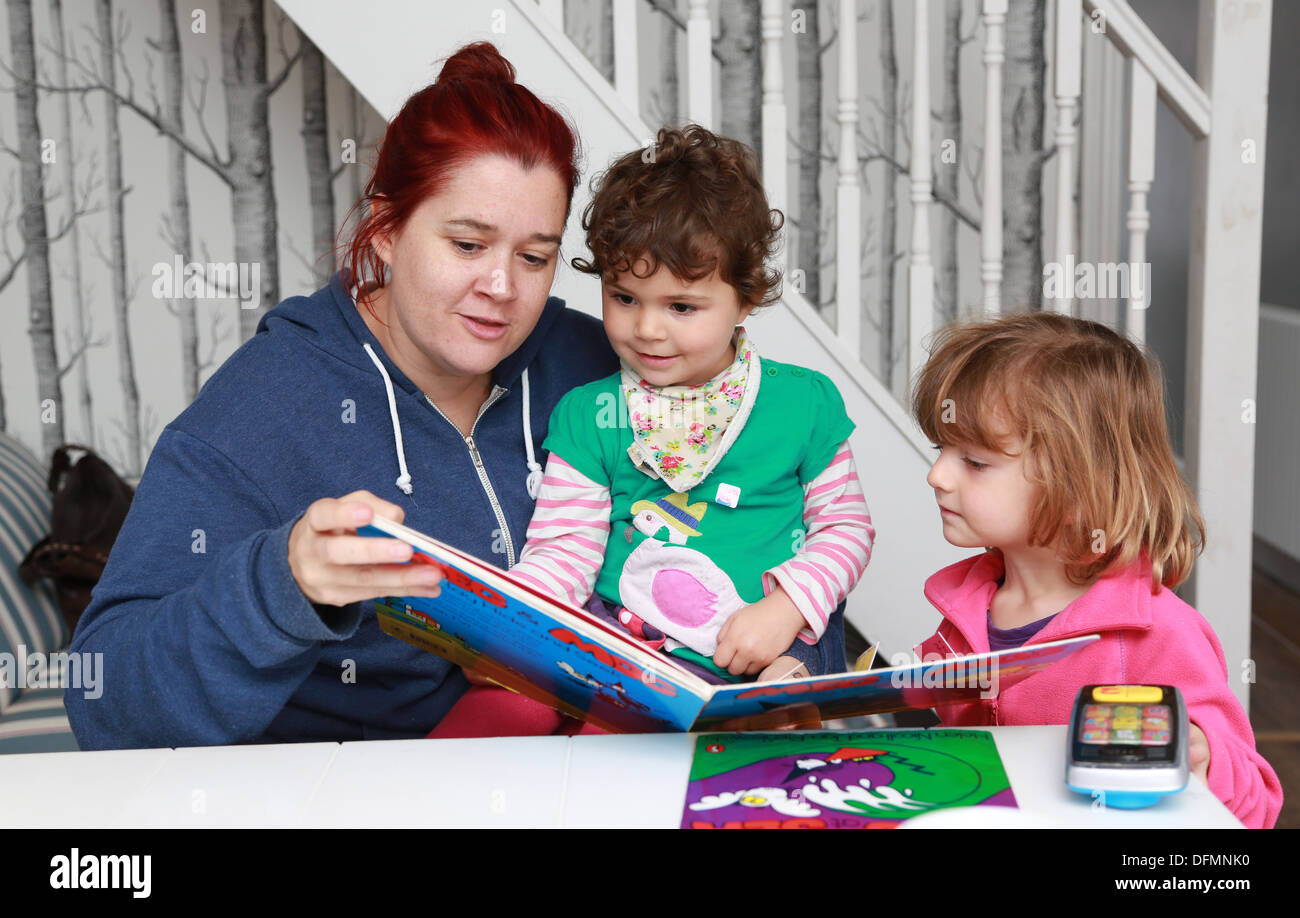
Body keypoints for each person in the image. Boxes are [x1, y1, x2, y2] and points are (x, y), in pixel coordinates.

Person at [63, 42, 620, 749]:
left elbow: (779, 501)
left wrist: (797, 655)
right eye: (468, 245)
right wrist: (282, 585)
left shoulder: (597, 362)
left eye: (534, 257)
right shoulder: (265, 404)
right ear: (386, 232)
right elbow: (103, 696)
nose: (503, 288)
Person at [431, 126, 874, 738]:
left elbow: (845, 528)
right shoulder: (589, 414)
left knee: (786, 696)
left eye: (681, 307)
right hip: (627, 643)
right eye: (625, 298)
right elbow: (565, 548)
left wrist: (787, 605)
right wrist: (513, 625)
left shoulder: (803, 403)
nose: (647, 330)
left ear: (744, 301)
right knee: (509, 705)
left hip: (762, 645)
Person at [911, 311, 1282, 828]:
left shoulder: (1160, 634)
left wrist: (1205, 760)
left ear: (1078, 480)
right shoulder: (966, 611)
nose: (937, 474)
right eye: (940, 448)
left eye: (975, 461)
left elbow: (1258, 806)